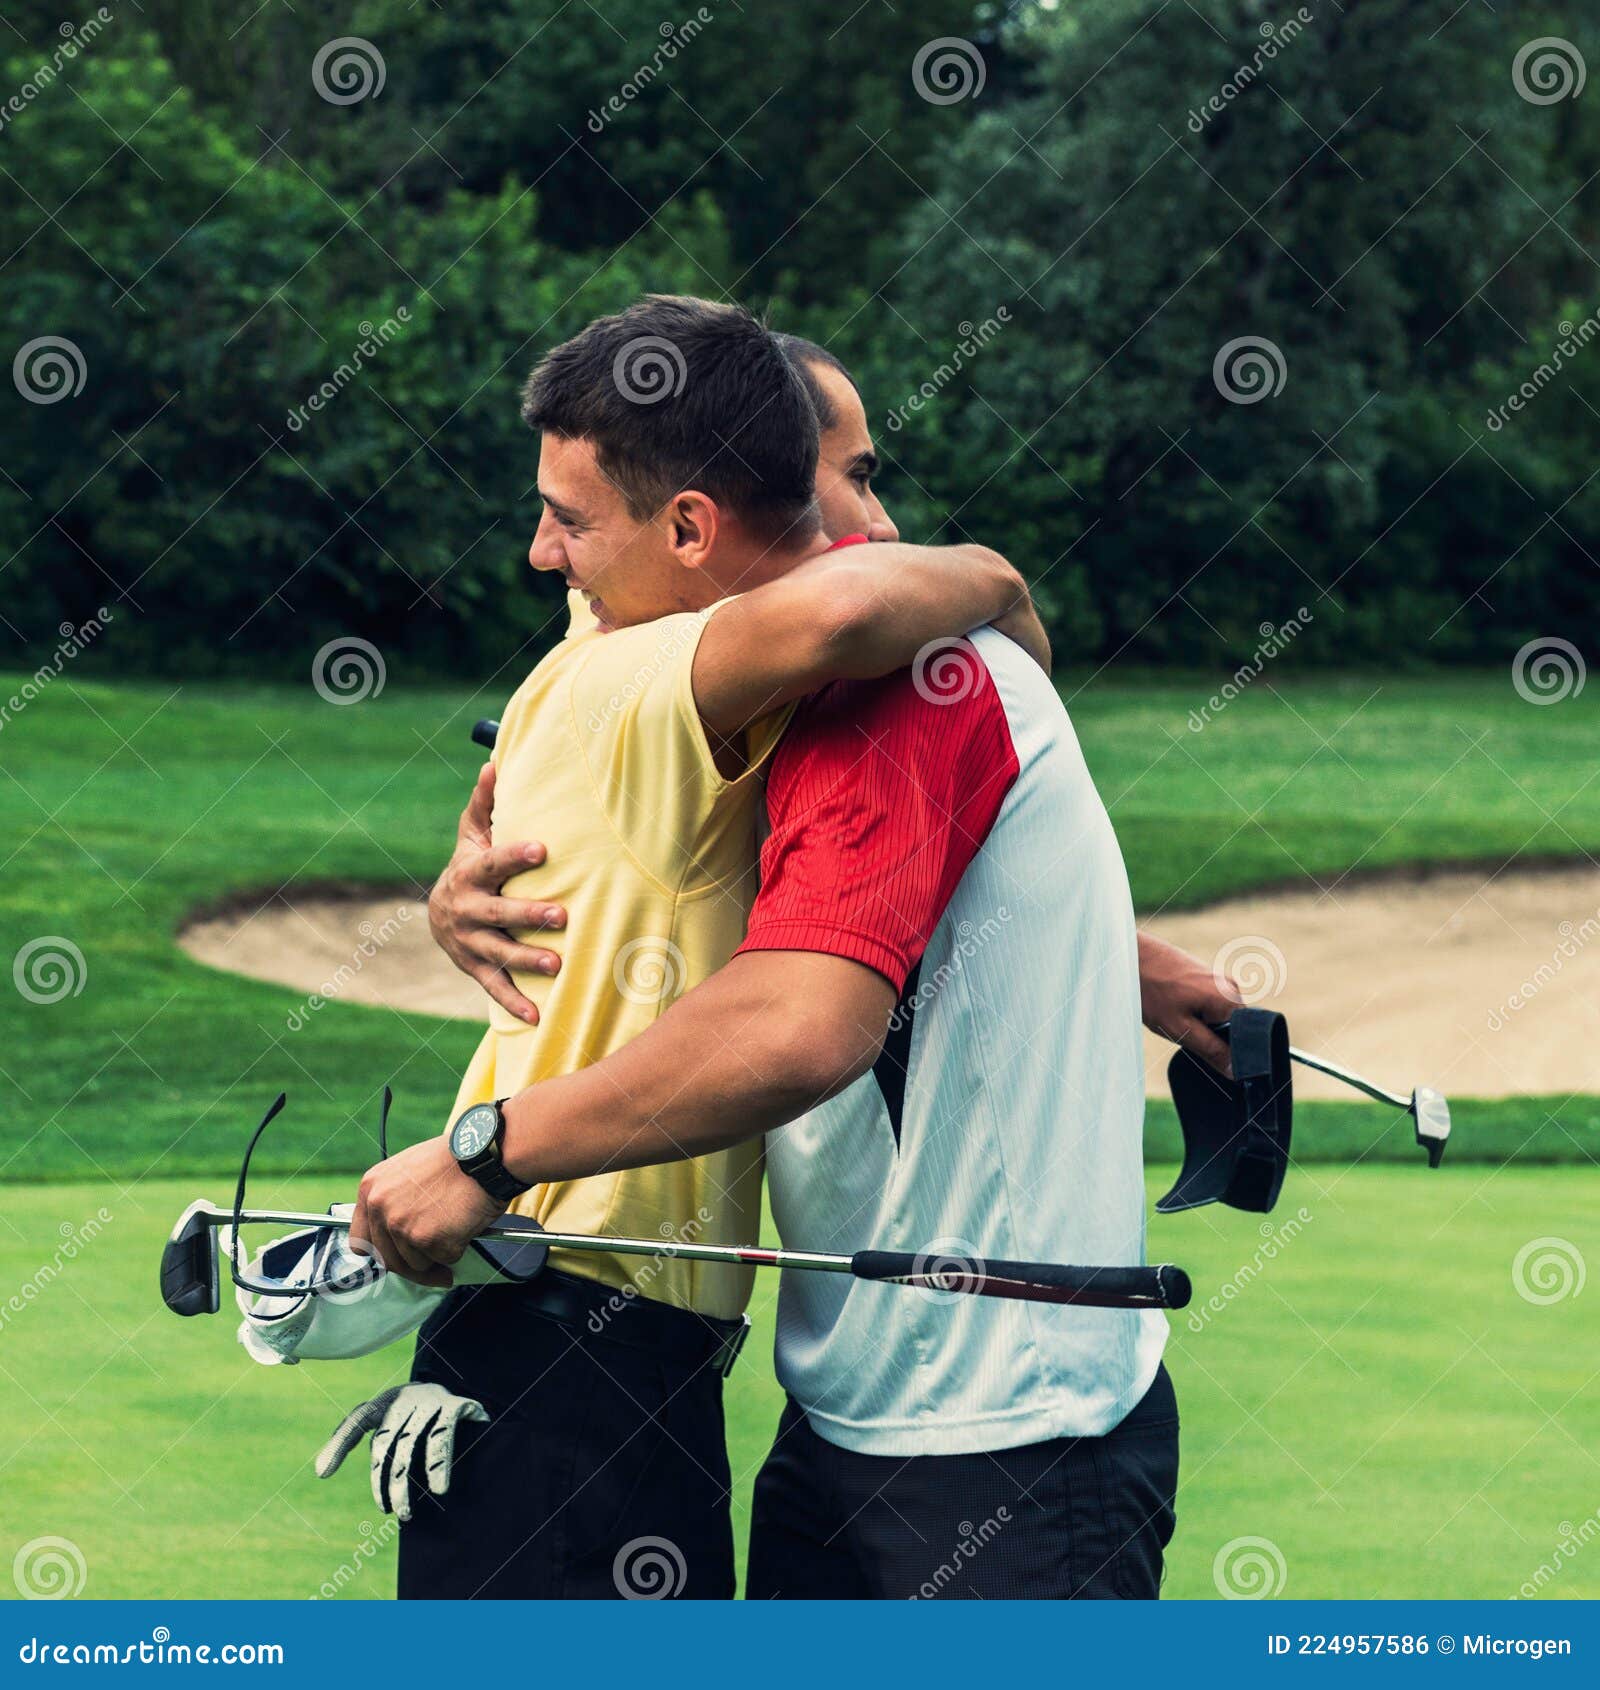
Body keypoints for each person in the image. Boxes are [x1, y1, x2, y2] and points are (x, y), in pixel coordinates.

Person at [359, 324, 1240, 1599]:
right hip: (843, 1422)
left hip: (999, 1435)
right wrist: (1129, 958)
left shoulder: (906, 683)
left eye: (859, 476)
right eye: (851, 474)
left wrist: (481, 1150)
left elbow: (799, 1022)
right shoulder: (744, 668)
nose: (871, 524)